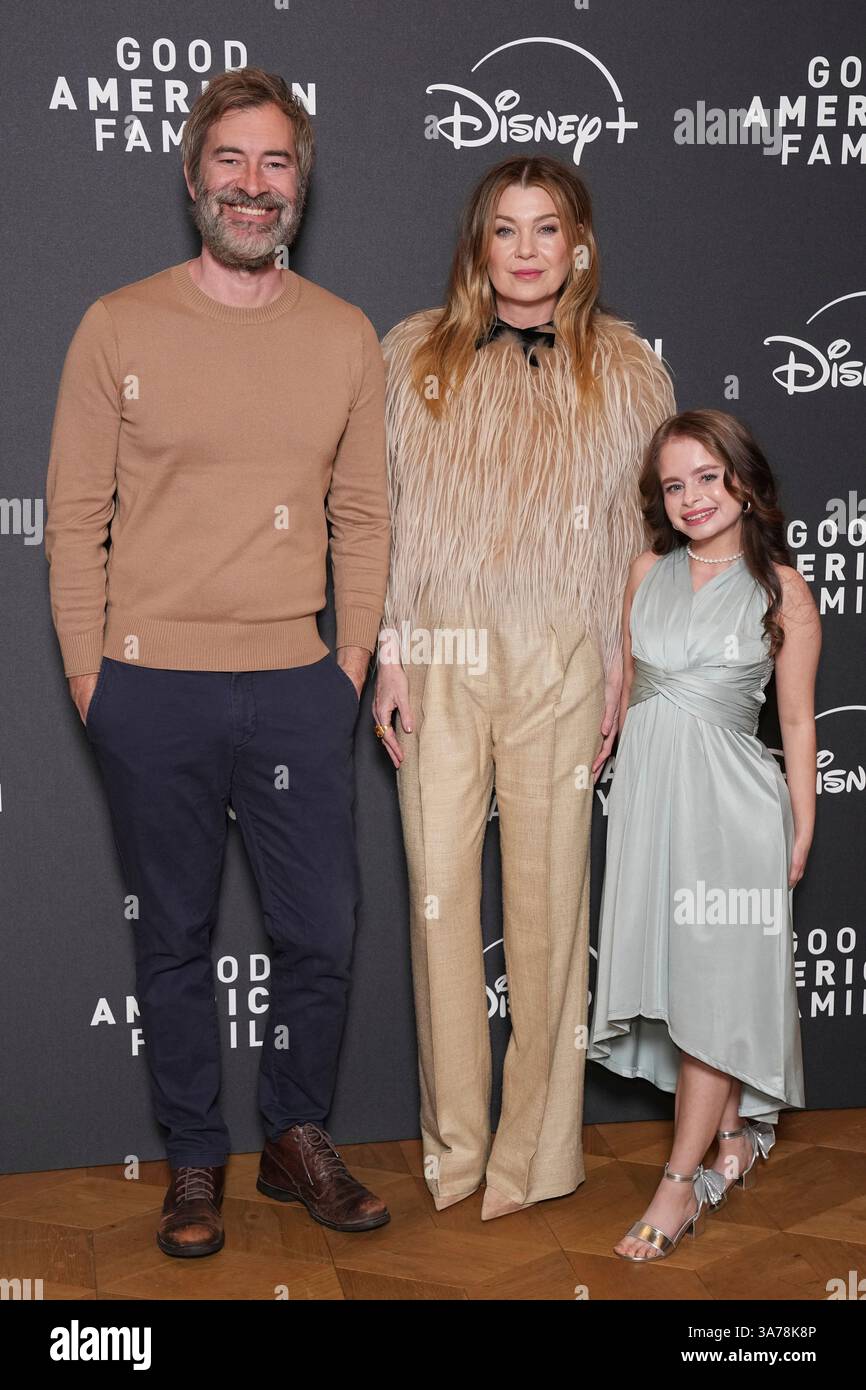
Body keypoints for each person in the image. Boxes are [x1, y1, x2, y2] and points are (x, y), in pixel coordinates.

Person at [44, 67, 391, 1257]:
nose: (252, 186)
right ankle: (195, 1158)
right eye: (231, 162)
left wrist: (344, 659)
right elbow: (74, 512)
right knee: (173, 936)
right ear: (194, 176)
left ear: (300, 183)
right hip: (149, 687)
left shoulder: (344, 334)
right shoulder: (117, 323)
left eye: (275, 163)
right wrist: (96, 680)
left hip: (297, 686)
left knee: (322, 930)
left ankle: (295, 1135)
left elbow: (362, 515)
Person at [373, 154, 677, 1219]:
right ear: (478, 245)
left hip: (561, 649)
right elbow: (387, 521)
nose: (525, 250)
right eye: (505, 230)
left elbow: (641, 541)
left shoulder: (632, 372)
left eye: (545, 229)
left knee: (550, 908)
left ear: (577, 243)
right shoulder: (410, 355)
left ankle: (538, 1156)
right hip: (441, 648)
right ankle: (454, 1152)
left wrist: (616, 663)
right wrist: (389, 651)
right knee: (438, 900)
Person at [588, 408, 820, 1260]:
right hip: (652, 808)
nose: (690, 498)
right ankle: (735, 1139)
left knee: (716, 987)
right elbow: (629, 688)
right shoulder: (645, 568)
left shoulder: (782, 591)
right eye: (673, 485)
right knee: (686, 979)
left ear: (744, 481)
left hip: (733, 815)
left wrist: (800, 828)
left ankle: (678, 1186)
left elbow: (796, 723)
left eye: (707, 478)